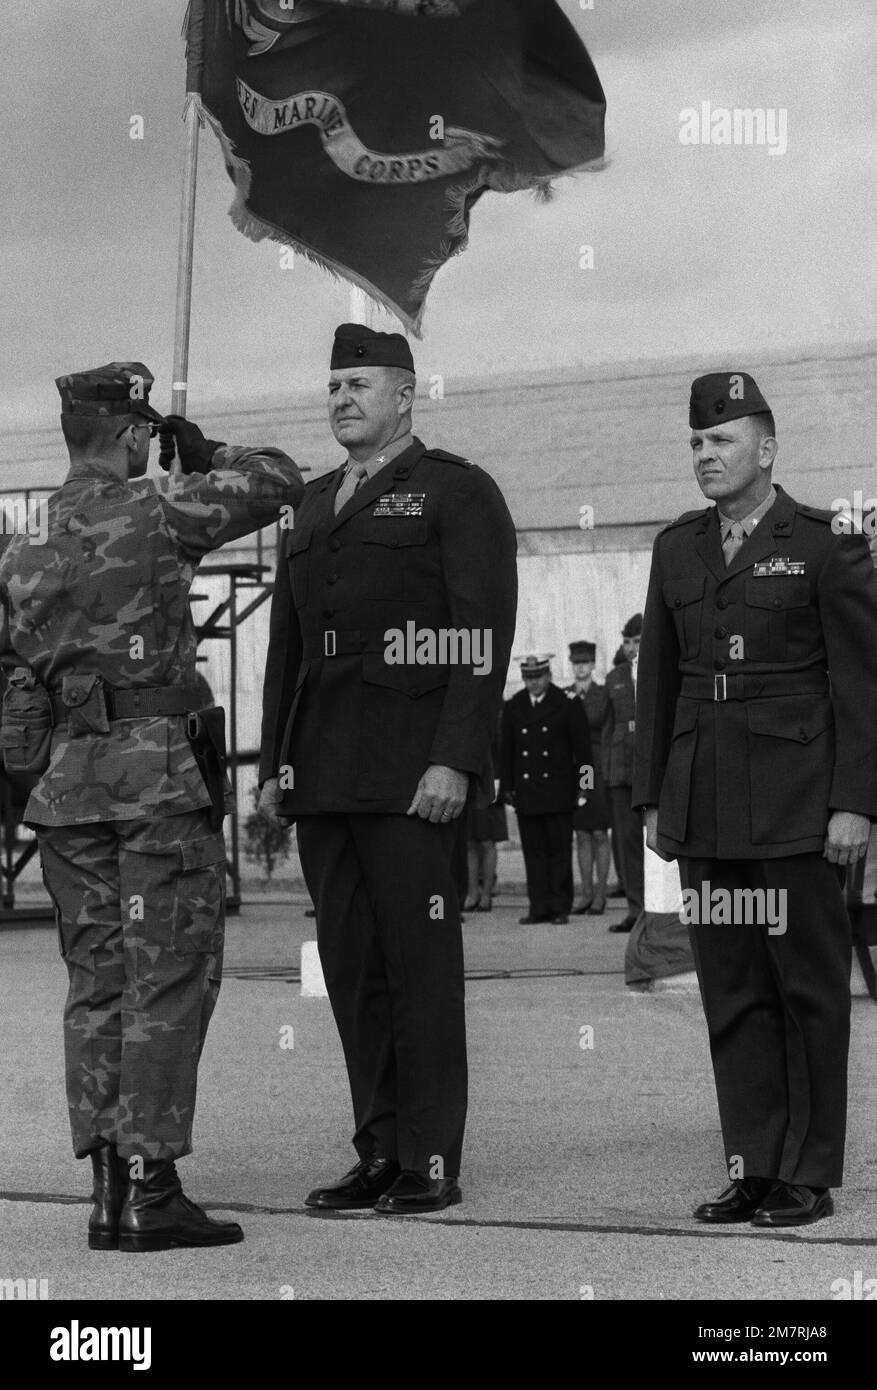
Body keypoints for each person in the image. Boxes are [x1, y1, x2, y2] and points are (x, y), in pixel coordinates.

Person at [0, 362, 304, 1251]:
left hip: (65, 793)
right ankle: (151, 1188)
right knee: (166, 979)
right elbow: (281, 478)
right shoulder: (157, 510)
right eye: (145, 433)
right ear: (133, 435)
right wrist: (207, 451)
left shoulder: (20, 544)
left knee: (96, 985)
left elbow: (17, 694)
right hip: (156, 784)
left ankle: (105, 1189)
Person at [258, 324, 517, 1215]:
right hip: (323, 776)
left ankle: (428, 1162)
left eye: (361, 384)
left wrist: (454, 758)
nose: (342, 399)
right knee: (353, 971)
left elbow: (480, 638)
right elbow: (284, 647)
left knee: (420, 968)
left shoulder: (454, 491)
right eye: (334, 385)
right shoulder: (310, 502)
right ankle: (376, 1148)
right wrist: (274, 766)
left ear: (406, 394)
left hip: (413, 776)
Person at [633, 370, 877, 1228]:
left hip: (797, 805)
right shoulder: (677, 548)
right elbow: (655, 683)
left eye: (722, 440)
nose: (705, 454)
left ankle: (805, 1174)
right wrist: (653, 801)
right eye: (697, 442)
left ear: (765, 449)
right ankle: (751, 1168)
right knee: (731, 994)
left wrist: (856, 803)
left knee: (807, 991)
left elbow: (859, 680)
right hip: (705, 803)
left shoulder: (821, 543)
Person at [500, 654, 592, 925]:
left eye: (538, 677)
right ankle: (538, 907)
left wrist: (585, 787)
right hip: (527, 793)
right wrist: (507, 786)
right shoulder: (515, 705)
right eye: (529, 678)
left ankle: (560, 907)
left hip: (559, 792)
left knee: (559, 852)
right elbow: (507, 751)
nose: (534, 683)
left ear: (549, 675)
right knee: (534, 853)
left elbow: (583, 751)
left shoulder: (567, 703)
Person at [563, 640, 611, 914]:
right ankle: (586, 893)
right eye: (576, 663)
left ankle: (601, 895)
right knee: (581, 833)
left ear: (593, 665)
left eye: (585, 663)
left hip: (596, 766)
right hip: (575, 769)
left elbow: (599, 722)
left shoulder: (602, 694)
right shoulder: (566, 694)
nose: (580, 668)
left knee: (599, 832)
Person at [603, 615, 644, 933]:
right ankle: (635, 908)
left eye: (638, 641)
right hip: (621, 769)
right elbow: (607, 728)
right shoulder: (614, 677)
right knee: (626, 841)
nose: (632, 648)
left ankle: (661, 911)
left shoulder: (658, 671)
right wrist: (603, 773)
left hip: (651, 768)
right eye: (628, 642)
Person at [463, 706, 507, 912]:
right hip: (469, 779)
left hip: (489, 780)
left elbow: (502, 745)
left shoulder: (497, 707)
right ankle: (473, 892)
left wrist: (499, 780)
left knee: (487, 840)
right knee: (470, 841)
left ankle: (487, 894)